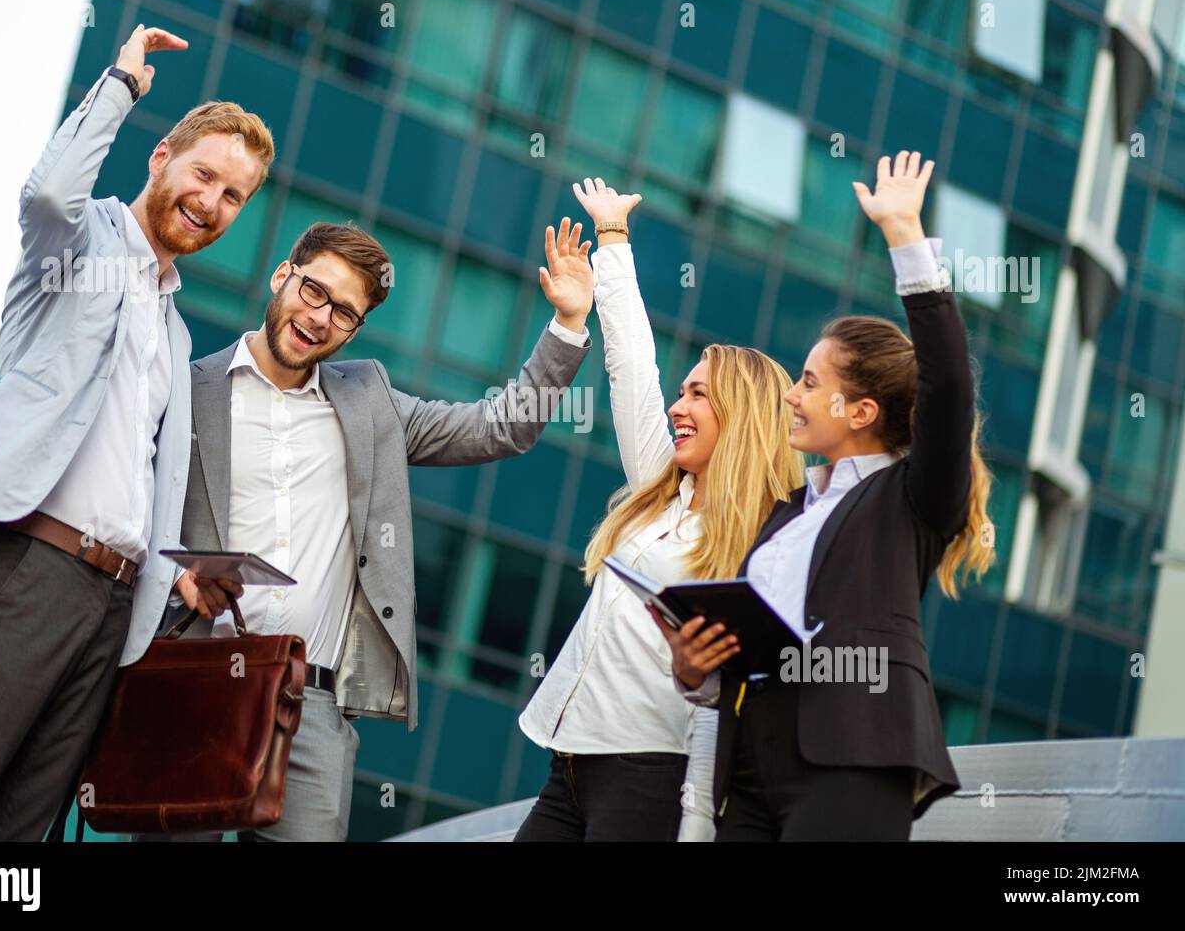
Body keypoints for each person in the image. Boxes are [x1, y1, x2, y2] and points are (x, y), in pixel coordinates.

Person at [0, 25, 275, 841]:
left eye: (234, 196)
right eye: (204, 174)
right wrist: (121, 85)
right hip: (22, 574)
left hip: (112, 611)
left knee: (18, 840)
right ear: (160, 157)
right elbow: (48, 193)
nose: (212, 202)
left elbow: (130, 472)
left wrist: (172, 577)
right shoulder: (80, 241)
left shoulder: (173, 329)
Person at [155, 217, 594, 841]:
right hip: (197, 680)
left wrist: (568, 324)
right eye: (314, 291)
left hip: (312, 705)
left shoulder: (371, 400)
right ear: (283, 274)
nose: (320, 317)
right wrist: (179, 577)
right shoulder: (186, 388)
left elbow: (502, 426)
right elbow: (130, 514)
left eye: (344, 312)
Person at [660, 151, 994, 841]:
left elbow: (950, 388)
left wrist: (906, 236)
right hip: (747, 769)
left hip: (853, 757)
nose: (791, 394)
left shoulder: (912, 501)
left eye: (810, 383)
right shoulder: (788, 511)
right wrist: (694, 667)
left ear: (862, 412)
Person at [515, 179, 804, 841]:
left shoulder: (764, 539)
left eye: (699, 395)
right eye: (683, 393)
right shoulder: (659, 482)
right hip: (569, 759)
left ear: (741, 418)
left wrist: (697, 816)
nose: (677, 407)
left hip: (652, 773)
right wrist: (612, 237)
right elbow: (631, 364)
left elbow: (730, 693)